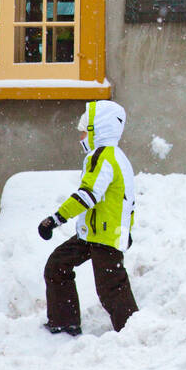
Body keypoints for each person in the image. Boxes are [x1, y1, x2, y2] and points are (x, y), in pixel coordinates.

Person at [38, 100, 139, 335]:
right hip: (93, 234)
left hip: (104, 236)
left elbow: (87, 195)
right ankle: (64, 324)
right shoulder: (117, 157)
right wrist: (127, 229)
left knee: (111, 290)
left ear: (98, 130)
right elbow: (128, 201)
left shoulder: (103, 157)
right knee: (57, 266)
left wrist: (55, 219)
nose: (81, 137)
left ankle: (132, 333)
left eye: (84, 131)